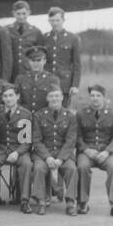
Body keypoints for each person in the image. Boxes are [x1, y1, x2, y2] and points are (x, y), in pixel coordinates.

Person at [75, 83, 113, 217]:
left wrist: (107, 151)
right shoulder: (81, 114)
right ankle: (83, 202)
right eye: (92, 96)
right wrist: (86, 149)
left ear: (104, 98)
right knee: (82, 167)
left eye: (98, 96)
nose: (95, 98)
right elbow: (77, 136)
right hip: (87, 151)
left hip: (106, 152)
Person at [31, 86, 78, 215]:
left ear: (62, 98)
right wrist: (47, 157)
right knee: (39, 168)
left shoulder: (70, 116)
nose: (54, 99)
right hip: (43, 154)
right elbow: (36, 140)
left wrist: (60, 159)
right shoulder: (39, 115)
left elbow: (70, 141)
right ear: (47, 98)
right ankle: (41, 201)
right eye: (51, 96)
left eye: (57, 96)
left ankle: (70, 202)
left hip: (63, 154)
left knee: (71, 169)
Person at [0, 83, 35, 214]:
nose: (8, 99)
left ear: (17, 97)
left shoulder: (25, 114)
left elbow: (27, 140)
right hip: (0, 148)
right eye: (5, 96)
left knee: (27, 164)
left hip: (19, 149)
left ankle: (24, 201)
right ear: (2, 98)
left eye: (11, 95)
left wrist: (17, 153)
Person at [42, 7, 82, 106]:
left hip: (64, 83)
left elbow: (77, 64)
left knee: (63, 113)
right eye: (52, 20)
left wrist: (75, 85)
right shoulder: (44, 38)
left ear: (63, 20)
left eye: (57, 20)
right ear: (48, 21)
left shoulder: (73, 38)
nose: (55, 23)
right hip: (47, 82)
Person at [14, 45, 61, 113]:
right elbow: (17, 101)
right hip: (25, 117)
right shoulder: (20, 79)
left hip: (44, 117)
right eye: (33, 60)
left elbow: (55, 102)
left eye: (39, 60)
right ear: (28, 61)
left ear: (44, 61)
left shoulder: (53, 79)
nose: (36, 64)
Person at [5, 0, 43, 83]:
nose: (21, 16)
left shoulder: (36, 32)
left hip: (29, 73)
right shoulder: (6, 30)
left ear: (29, 13)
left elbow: (40, 56)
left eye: (24, 13)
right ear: (13, 13)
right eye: (18, 14)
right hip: (11, 73)